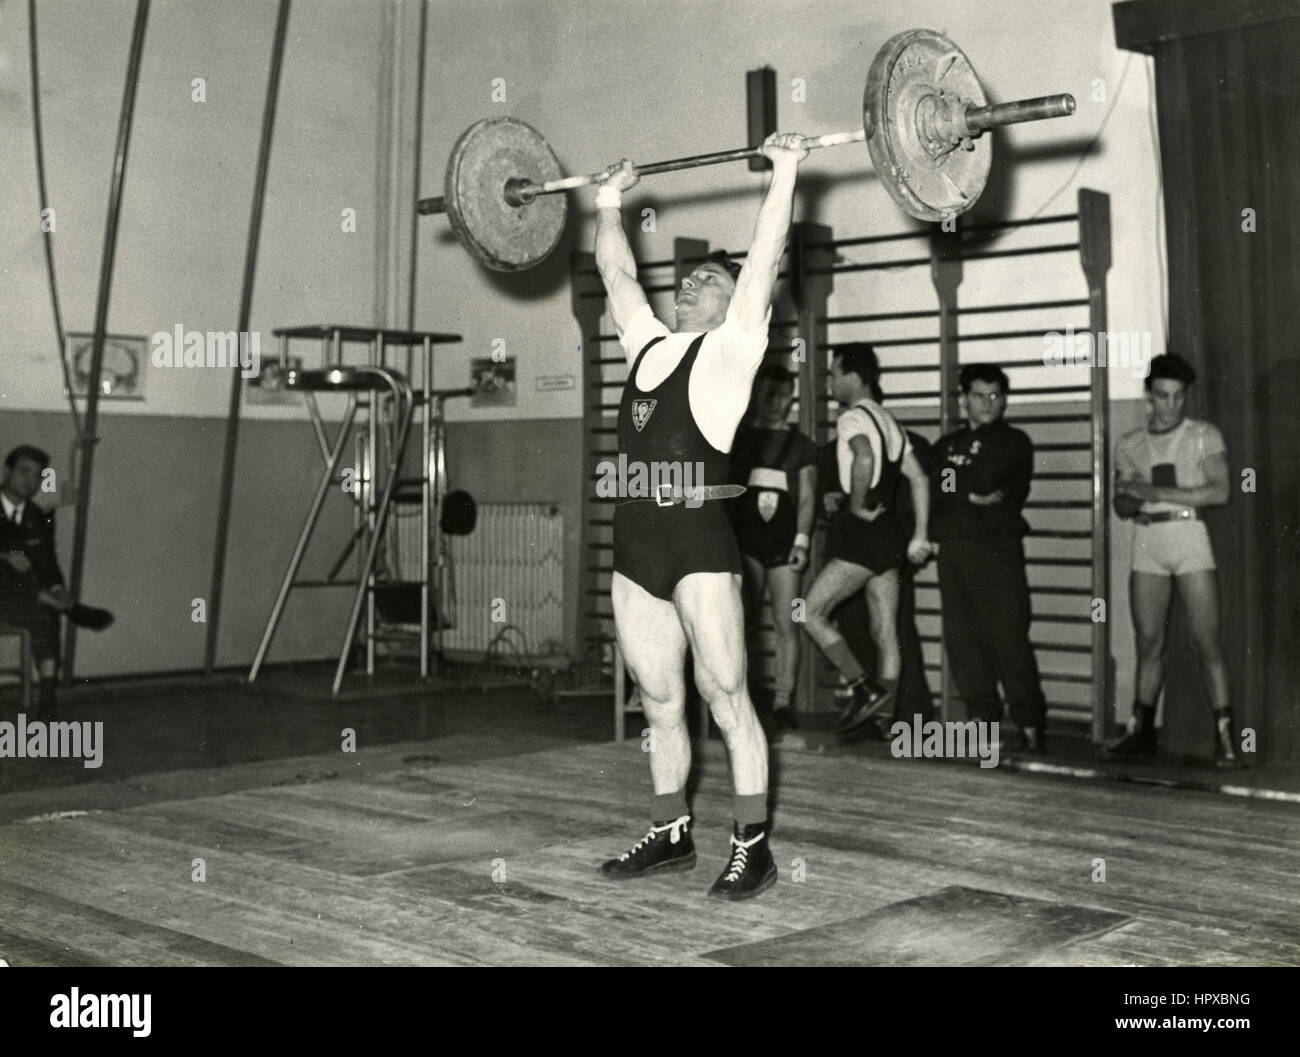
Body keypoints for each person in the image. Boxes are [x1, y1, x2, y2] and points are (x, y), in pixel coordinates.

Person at [593, 131, 809, 900]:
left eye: (708, 280)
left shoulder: (730, 354)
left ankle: (753, 842)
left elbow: (765, 257)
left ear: (729, 302)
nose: (690, 285)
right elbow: (617, 271)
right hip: (637, 542)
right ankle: (670, 831)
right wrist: (610, 199)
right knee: (658, 697)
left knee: (725, 694)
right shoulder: (646, 343)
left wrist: (783, 173)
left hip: (699, 543)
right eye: (685, 278)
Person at [1107, 353, 1241, 767]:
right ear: (1150, 395)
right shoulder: (1129, 444)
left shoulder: (1203, 435)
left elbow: (1219, 492)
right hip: (1148, 541)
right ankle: (1140, 732)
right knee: (1149, 643)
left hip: (1189, 538)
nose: (1171, 405)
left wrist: (1154, 493)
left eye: (1179, 397)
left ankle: (1227, 740)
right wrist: (1133, 498)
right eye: (1163, 396)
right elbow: (1121, 505)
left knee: (1206, 641)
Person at [800, 344, 931, 739]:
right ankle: (886, 720)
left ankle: (862, 686)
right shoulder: (890, 421)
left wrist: (856, 505)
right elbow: (920, 480)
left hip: (861, 534)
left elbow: (863, 460)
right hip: (891, 535)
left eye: (833, 374)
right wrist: (920, 535)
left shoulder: (853, 418)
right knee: (885, 631)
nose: (830, 382)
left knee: (809, 613)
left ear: (853, 378)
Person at [929, 364, 1047, 752]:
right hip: (955, 550)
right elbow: (944, 494)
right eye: (979, 396)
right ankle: (983, 719)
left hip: (997, 551)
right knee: (963, 639)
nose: (987, 404)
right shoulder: (946, 445)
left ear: (1005, 399)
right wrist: (971, 493)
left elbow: (985, 482)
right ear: (964, 399)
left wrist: (967, 488)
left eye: (995, 396)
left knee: (1008, 636)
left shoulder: (1015, 441)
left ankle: (1030, 723)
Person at [727, 364, 817, 732]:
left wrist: (802, 542)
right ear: (757, 397)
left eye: (783, 397)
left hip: (783, 546)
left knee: (786, 623)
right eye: (769, 396)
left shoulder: (802, 445)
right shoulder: (741, 439)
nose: (776, 404)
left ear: (791, 398)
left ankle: (782, 703)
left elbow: (809, 497)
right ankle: (739, 698)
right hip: (746, 545)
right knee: (740, 624)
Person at [0, 445, 114, 717]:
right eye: (23, 472)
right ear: (7, 471)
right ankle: (68, 609)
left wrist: (58, 588)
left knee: (47, 610)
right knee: (13, 575)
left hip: (20, 602)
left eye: (36, 476)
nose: (29, 481)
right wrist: (3, 555)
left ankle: (47, 698)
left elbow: (48, 564)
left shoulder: (39, 517)